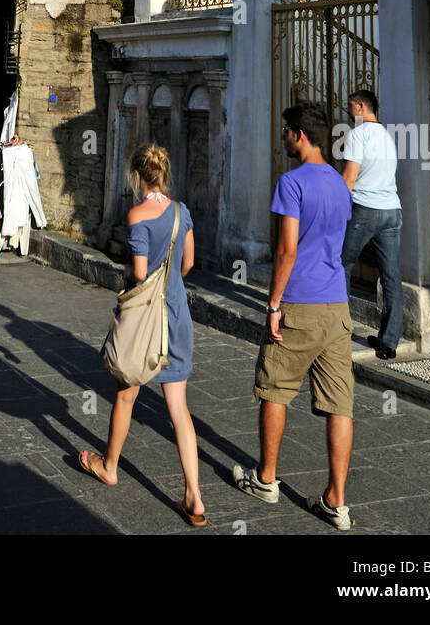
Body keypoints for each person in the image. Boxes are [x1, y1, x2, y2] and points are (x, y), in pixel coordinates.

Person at [234, 102, 355, 530]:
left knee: (275, 389)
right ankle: (336, 501)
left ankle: (266, 478)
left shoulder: (291, 182)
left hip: (299, 302)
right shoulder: (342, 185)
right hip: (337, 305)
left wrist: (272, 305)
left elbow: (286, 250)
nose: (283, 137)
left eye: (286, 131)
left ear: (299, 134)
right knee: (340, 404)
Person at [78, 142, 206, 528]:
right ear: (164, 174)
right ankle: (194, 496)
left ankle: (110, 465)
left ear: (136, 175)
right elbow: (188, 263)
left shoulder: (137, 215)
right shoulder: (182, 212)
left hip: (145, 319)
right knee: (179, 410)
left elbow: (137, 271)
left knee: (127, 393)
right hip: (177, 312)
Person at [339, 90, 403, 359]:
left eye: (350, 105)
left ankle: (338, 331)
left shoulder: (357, 134)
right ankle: (388, 342)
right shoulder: (388, 137)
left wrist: (335, 210)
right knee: (391, 277)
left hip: (365, 209)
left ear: (361, 106)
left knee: (341, 264)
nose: (348, 110)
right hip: (392, 210)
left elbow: (349, 178)